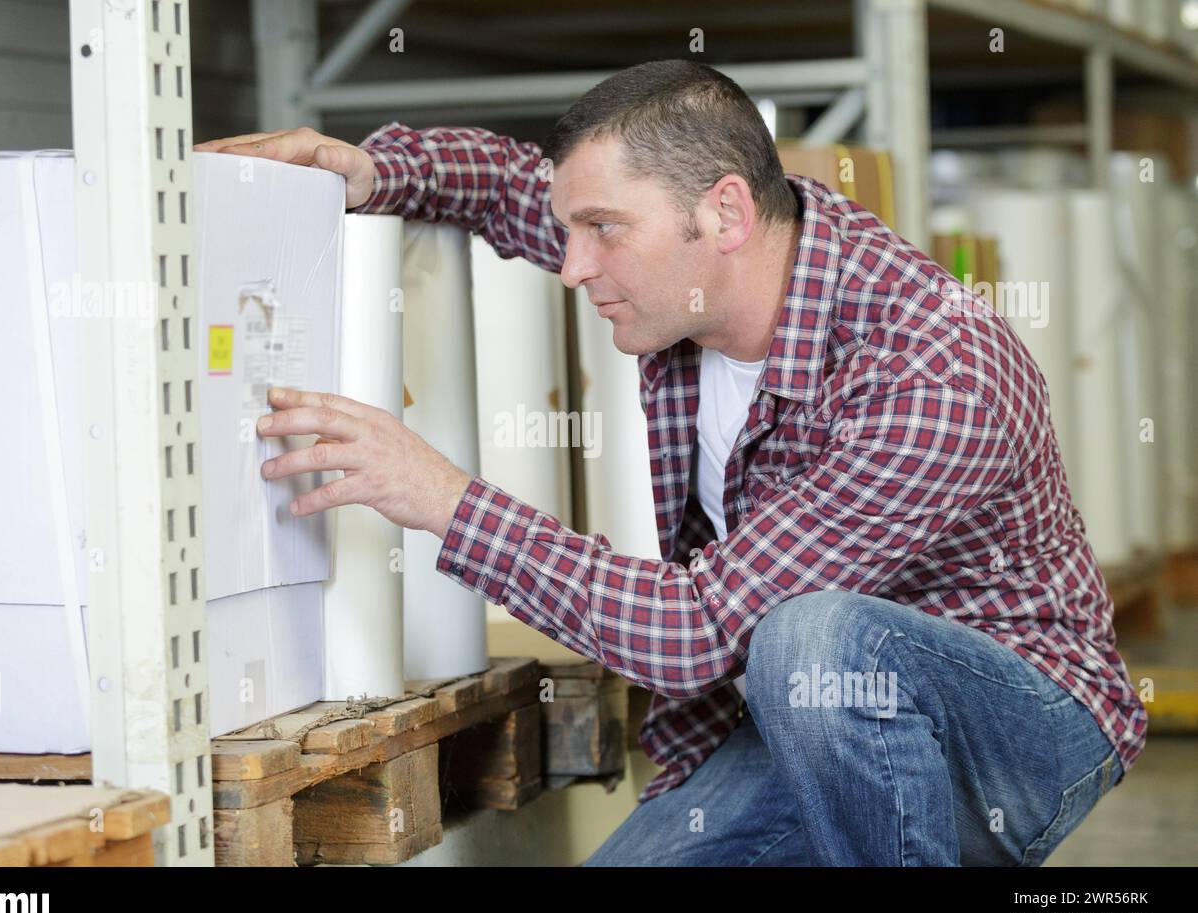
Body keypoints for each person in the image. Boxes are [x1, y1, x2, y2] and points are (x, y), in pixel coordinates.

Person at [196, 59, 1145, 866]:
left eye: (602, 230)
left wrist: (440, 498)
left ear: (724, 213)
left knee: (814, 640)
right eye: (574, 230)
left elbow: (694, 632)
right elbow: (501, 184)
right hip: (811, 721)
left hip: (1024, 728)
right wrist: (364, 168)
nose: (572, 266)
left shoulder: (936, 367)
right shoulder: (682, 273)